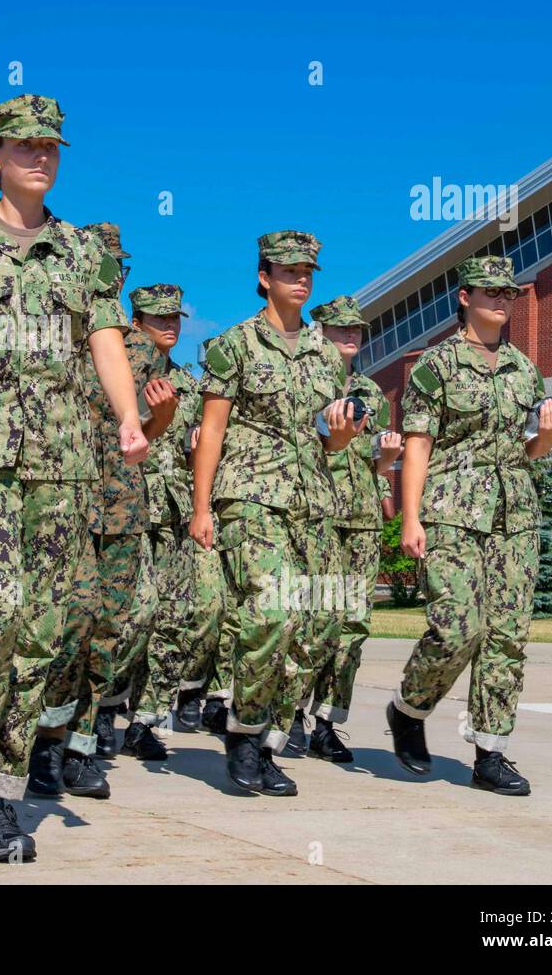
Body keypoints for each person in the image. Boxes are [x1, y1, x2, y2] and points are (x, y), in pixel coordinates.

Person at [0, 93, 148, 863]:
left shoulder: (83, 250)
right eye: (23, 146)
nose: (39, 157)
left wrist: (127, 417)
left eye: (50, 146)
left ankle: (8, 793)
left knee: (40, 636)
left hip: (63, 466)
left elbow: (107, 339)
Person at [189, 231, 364, 796]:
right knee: (271, 614)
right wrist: (201, 506)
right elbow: (211, 430)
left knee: (316, 627)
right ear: (265, 277)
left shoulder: (324, 355)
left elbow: (328, 442)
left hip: (313, 503)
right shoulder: (234, 344)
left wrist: (340, 438)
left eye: (308, 271)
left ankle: (267, 739)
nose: (301, 279)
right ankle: (241, 734)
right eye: (289, 271)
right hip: (251, 496)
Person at [387, 256, 552, 795]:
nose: (500, 301)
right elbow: (416, 447)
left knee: (507, 638)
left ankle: (491, 753)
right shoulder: (435, 366)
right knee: (459, 629)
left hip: (515, 515)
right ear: (464, 297)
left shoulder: (523, 369)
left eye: (507, 294)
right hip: (451, 511)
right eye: (489, 292)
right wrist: (410, 517)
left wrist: (550, 436)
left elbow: (527, 449)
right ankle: (409, 709)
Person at [31, 229, 176, 798]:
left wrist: (158, 416)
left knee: (108, 628)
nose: (112, 274)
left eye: (119, 266)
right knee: (69, 623)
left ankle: (82, 746)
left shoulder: (139, 349)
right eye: (105, 264)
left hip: (118, 502)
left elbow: (144, 434)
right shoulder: (50, 332)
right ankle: (45, 737)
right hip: (60, 497)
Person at [105, 283, 218, 752]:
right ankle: (103, 705)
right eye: (159, 318)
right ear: (136, 323)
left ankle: (145, 721)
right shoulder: (114, 377)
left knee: (188, 614)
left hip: (173, 510)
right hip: (127, 507)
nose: (169, 325)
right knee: (133, 615)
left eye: (175, 319)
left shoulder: (186, 383)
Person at [295, 296, 402, 762]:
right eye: (340, 329)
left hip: (359, 520)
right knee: (311, 621)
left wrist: (388, 466)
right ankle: (286, 713)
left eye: (356, 330)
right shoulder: (300, 382)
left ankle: (325, 723)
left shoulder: (370, 393)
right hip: (313, 513)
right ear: (319, 332)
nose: (351, 337)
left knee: (352, 627)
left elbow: (372, 459)